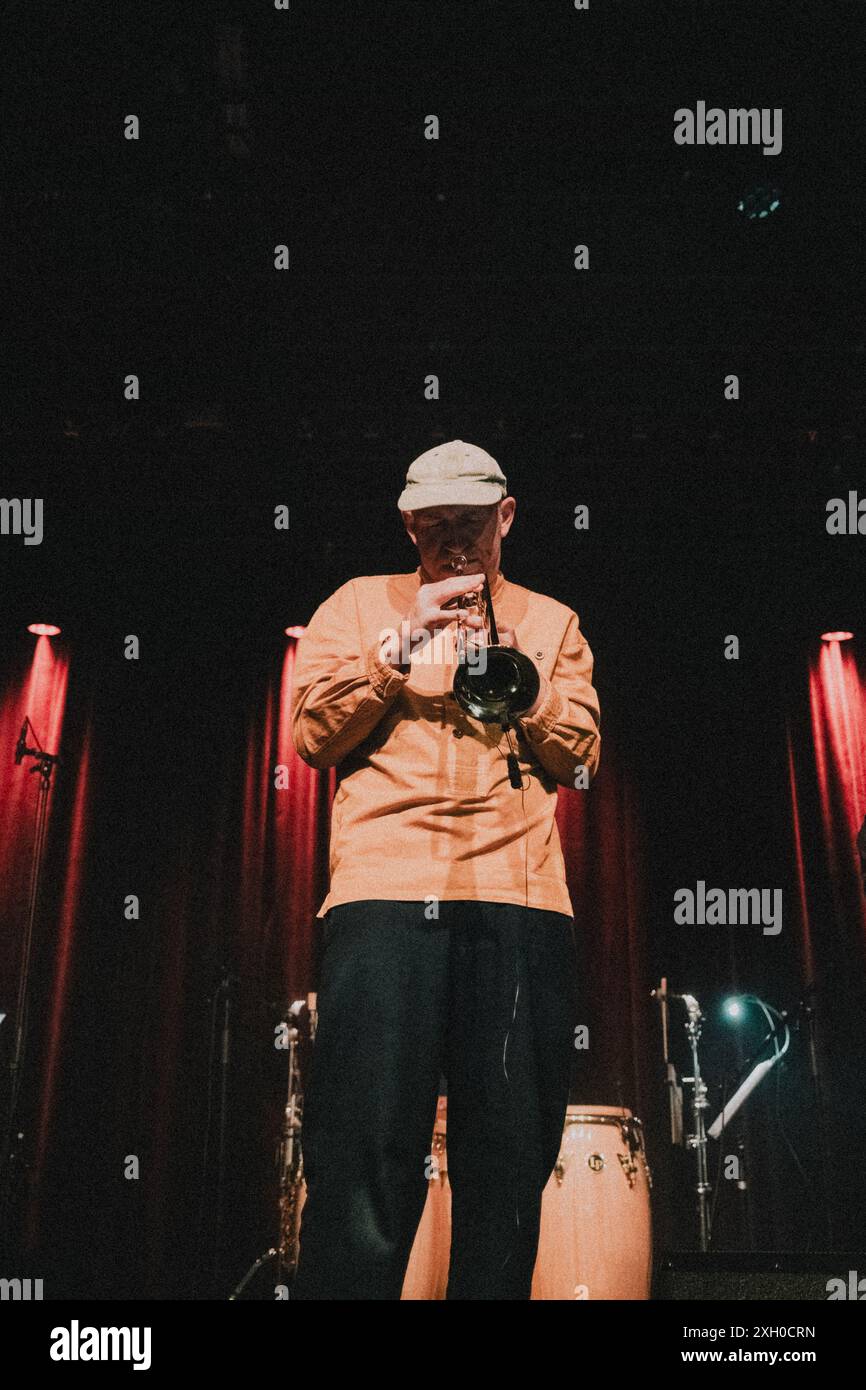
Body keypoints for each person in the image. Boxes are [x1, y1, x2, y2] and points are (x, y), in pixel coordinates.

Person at [289, 439, 601, 1299]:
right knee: (363, 1150)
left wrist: (526, 686)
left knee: (506, 1169)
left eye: (472, 524)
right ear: (407, 525)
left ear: (506, 518)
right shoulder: (356, 606)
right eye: (436, 528)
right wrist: (402, 642)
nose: (456, 544)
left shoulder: (553, 620)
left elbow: (581, 759)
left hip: (517, 901)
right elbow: (312, 734)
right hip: (385, 898)